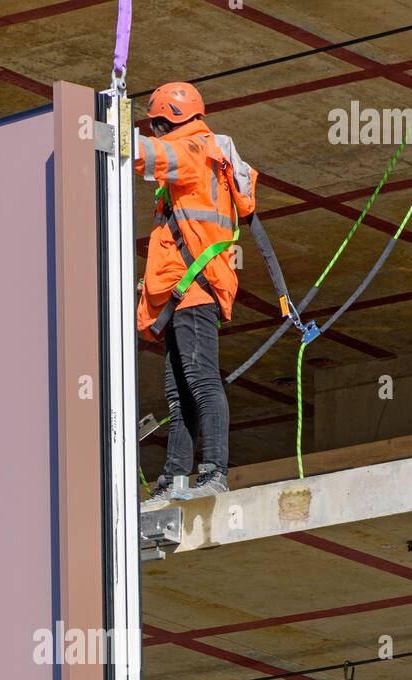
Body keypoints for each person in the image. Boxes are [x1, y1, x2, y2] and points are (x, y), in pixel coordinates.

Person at [135, 83, 258, 502]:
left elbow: (146, 156)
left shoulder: (191, 151)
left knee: (201, 382)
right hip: (184, 291)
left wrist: (101, 130)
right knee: (180, 389)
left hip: (193, 291)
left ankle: (213, 472)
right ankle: (174, 476)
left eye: (156, 124)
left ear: (165, 120)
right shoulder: (205, 156)